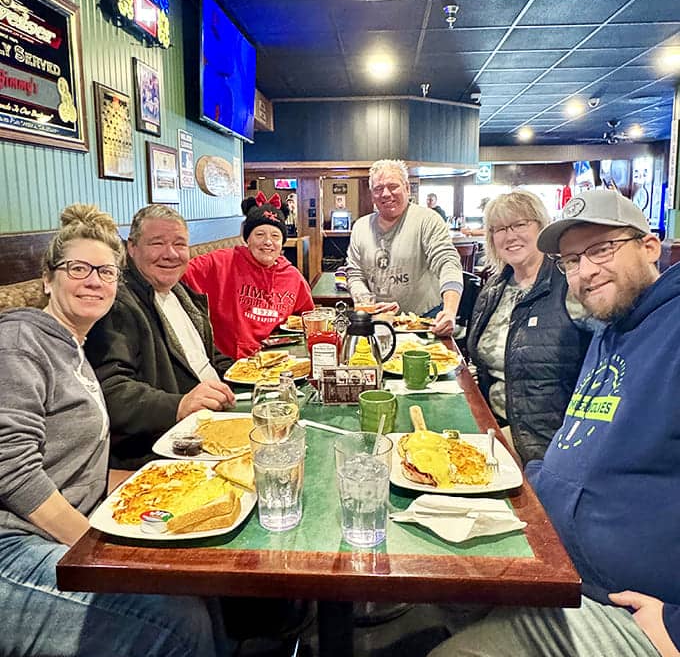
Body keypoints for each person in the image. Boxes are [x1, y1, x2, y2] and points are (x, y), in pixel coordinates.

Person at [419, 189, 680, 657]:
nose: (585, 271)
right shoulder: (615, 329)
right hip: (562, 564)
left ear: (651, 246)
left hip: (638, 612)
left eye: (602, 249)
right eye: (572, 260)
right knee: (442, 564)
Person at [0, 204, 243, 657]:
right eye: (78, 269)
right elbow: (12, 471)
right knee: (175, 626)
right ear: (46, 278)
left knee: (196, 582)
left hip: (51, 538)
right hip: (10, 554)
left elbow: (83, 471)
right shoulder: (19, 341)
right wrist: (95, 546)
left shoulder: (75, 350)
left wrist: (186, 485)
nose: (94, 281)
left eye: (105, 271)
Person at [86, 204, 235, 469]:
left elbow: (205, 357)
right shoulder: (118, 303)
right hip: (163, 449)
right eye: (157, 243)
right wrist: (178, 405)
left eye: (180, 244)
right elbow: (109, 392)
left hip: (214, 418)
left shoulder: (179, 291)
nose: (170, 254)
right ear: (131, 248)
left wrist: (245, 373)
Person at [466, 190, 591, 464]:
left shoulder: (570, 285)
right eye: (499, 229)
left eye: (520, 225)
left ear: (542, 227)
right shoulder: (495, 288)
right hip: (494, 425)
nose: (510, 236)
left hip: (546, 441)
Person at [183, 199, 314, 359]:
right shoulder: (221, 263)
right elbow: (178, 274)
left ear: (282, 243)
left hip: (275, 361)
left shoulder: (293, 277)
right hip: (226, 364)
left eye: (275, 236)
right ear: (247, 239)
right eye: (259, 234)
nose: (268, 242)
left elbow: (307, 318)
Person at [346, 159, 463, 336]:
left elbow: (448, 263)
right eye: (378, 189)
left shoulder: (427, 220)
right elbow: (355, 274)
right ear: (372, 195)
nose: (385, 194)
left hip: (424, 321)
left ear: (407, 188)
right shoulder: (360, 227)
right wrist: (366, 303)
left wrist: (450, 311)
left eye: (393, 186)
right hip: (378, 322)